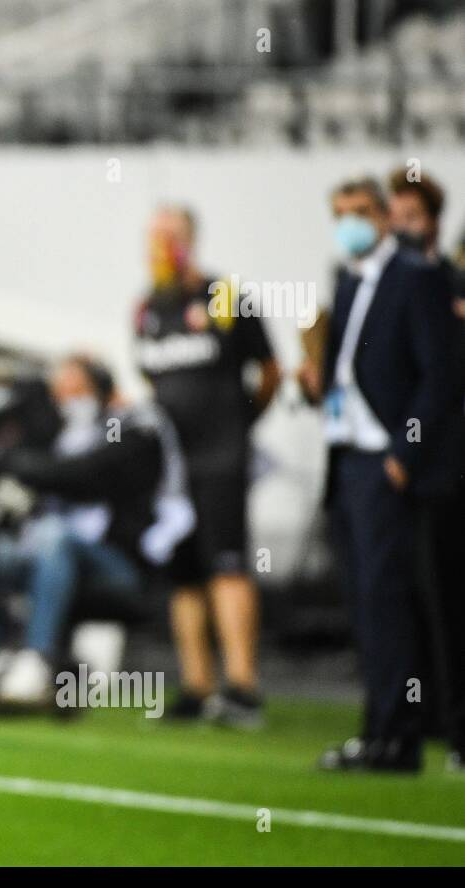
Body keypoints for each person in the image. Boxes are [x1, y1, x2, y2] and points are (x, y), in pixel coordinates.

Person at [306, 176, 460, 773]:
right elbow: (349, 365)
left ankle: (399, 737)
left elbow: (441, 375)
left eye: (362, 211)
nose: (351, 222)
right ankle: (377, 728)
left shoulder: (418, 279)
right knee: (364, 601)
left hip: (383, 462)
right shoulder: (346, 280)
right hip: (346, 456)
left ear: (384, 215)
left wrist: (404, 453)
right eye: (340, 213)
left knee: (388, 598)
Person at [0, 355, 193, 706]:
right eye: (61, 392)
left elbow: (87, 473)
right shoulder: (57, 433)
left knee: (54, 535)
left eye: (76, 389)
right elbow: (8, 467)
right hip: (53, 559)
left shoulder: (132, 427)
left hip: (119, 566)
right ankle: (9, 651)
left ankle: (39, 658)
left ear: (100, 386)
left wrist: (27, 468)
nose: (67, 399)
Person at [133, 206, 280, 727]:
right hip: (173, 469)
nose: (157, 246)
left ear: (189, 239)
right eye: (153, 237)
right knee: (184, 573)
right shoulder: (149, 307)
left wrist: (239, 424)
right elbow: (153, 381)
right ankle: (197, 687)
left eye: (166, 237)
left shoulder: (222, 296)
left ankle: (242, 688)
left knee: (228, 565)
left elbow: (269, 370)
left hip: (221, 456)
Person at [386, 169, 465, 773]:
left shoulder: (443, 282)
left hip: (440, 465)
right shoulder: (404, 284)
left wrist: (407, 452)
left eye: (411, 214)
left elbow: (441, 379)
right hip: (433, 471)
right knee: (432, 601)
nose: (400, 226)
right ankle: (442, 722)